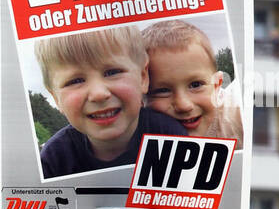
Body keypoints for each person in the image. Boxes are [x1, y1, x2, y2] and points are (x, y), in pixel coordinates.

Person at [34, 25, 188, 179]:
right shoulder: (53, 161)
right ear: (56, 98)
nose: (98, 94)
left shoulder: (170, 137)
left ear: (142, 77)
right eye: (76, 81)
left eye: (112, 72)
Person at [142, 19, 243, 148]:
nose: (184, 105)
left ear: (217, 86)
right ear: (141, 97)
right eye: (163, 90)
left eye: (196, 85)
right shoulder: (138, 135)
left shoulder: (235, 113)